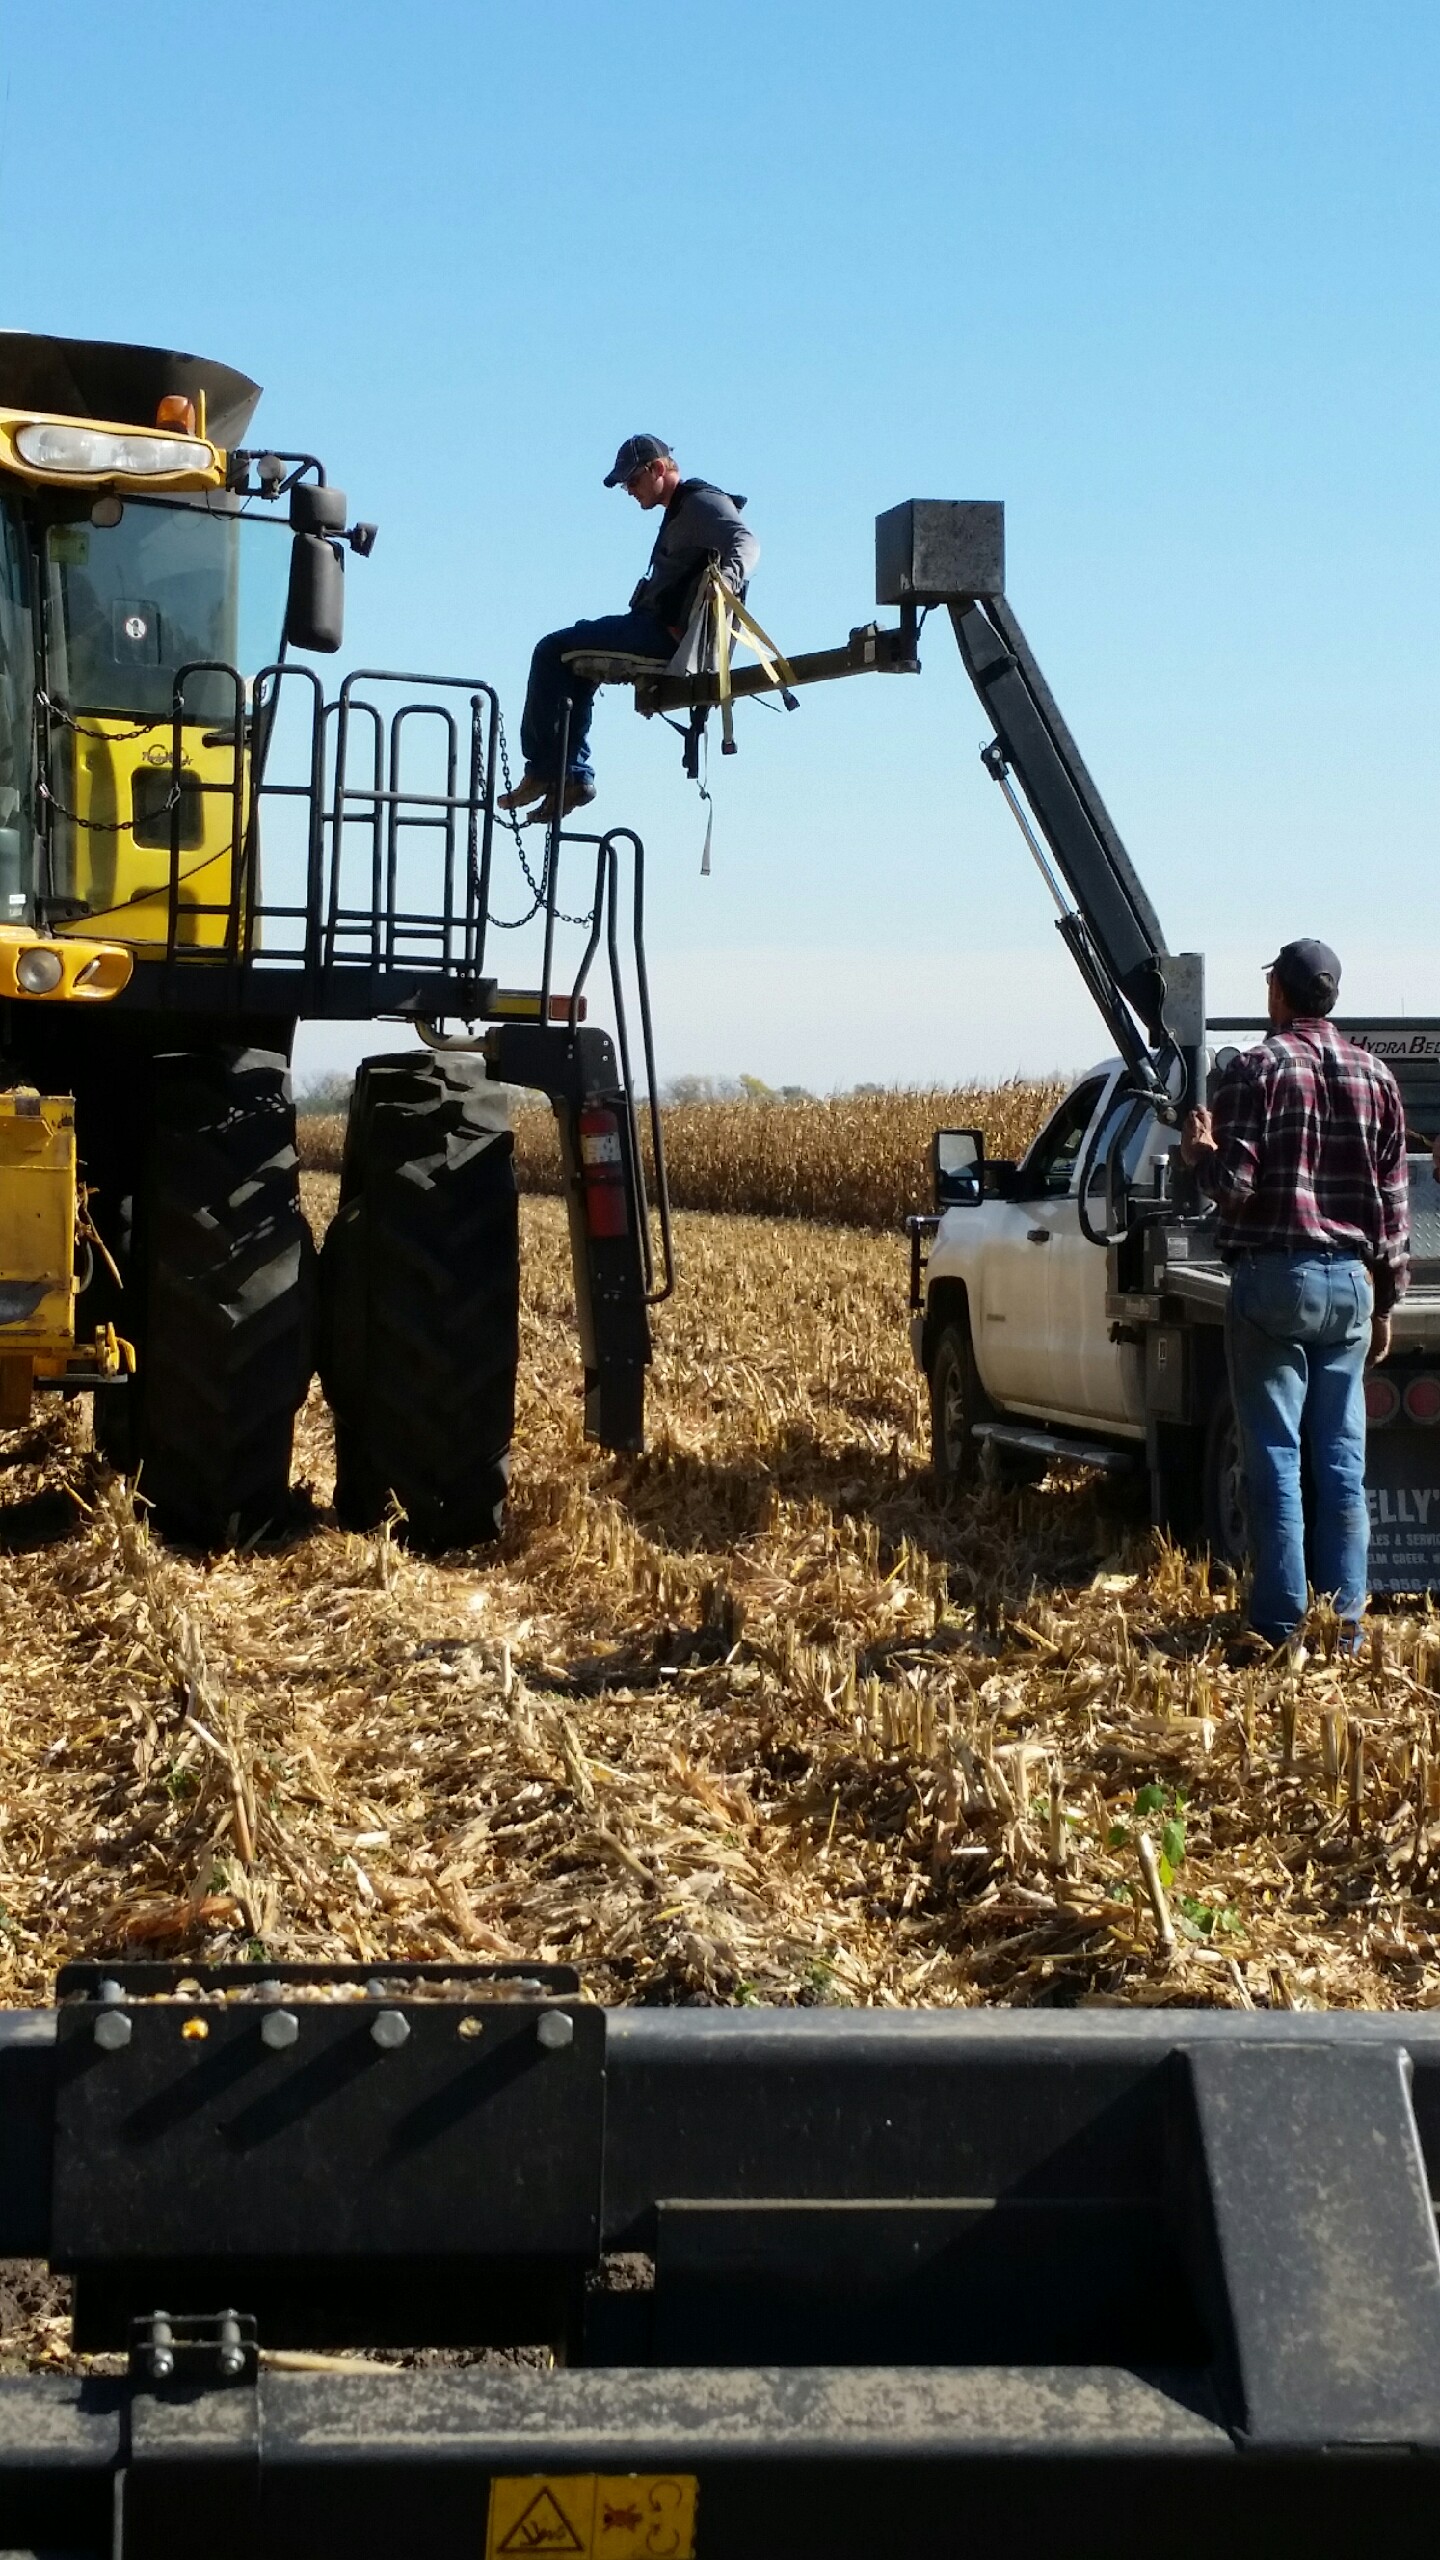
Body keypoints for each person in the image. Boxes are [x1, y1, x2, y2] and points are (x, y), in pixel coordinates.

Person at [1180, 937, 1409, 1650]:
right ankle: (1344, 1626)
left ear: (1278, 993)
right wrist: (1387, 1301)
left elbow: (1236, 1188)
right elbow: (1393, 1205)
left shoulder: (1257, 1069)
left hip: (1276, 1278)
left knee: (1275, 1455)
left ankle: (1278, 1622)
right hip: (1351, 1283)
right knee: (1343, 1463)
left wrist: (1198, 1153)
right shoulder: (1379, 1078)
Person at [498, 436, 759, 824]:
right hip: (653, 627)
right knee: (576, 667)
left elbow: (745, 542)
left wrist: (726, 578)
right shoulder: (680, 511)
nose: (629, 491)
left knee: (551, 651)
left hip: (663, 638)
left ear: (658, 469)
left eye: (633, 481)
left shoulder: (702, 503)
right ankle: (571, 776)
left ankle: (544, 771)